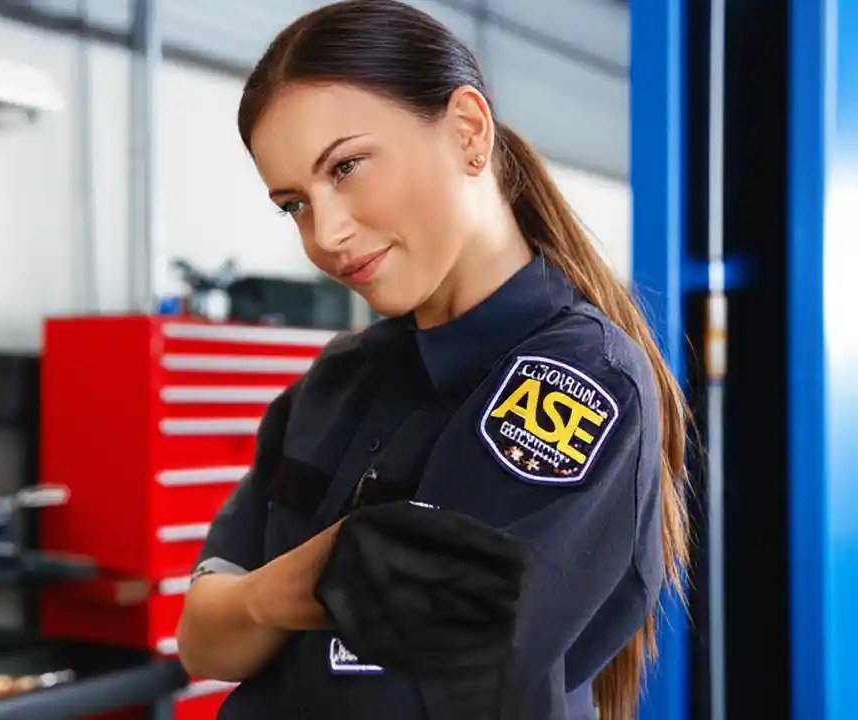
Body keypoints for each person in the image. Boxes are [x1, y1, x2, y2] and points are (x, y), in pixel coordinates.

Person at [174, 2, 690, 719]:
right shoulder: (336, 380)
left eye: (347, 166)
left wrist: (254, 604)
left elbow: (423, 672)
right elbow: (203, 643)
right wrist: (303, 579)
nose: (327, 233)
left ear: (467, 132)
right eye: (292, 203)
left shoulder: (573, 381)